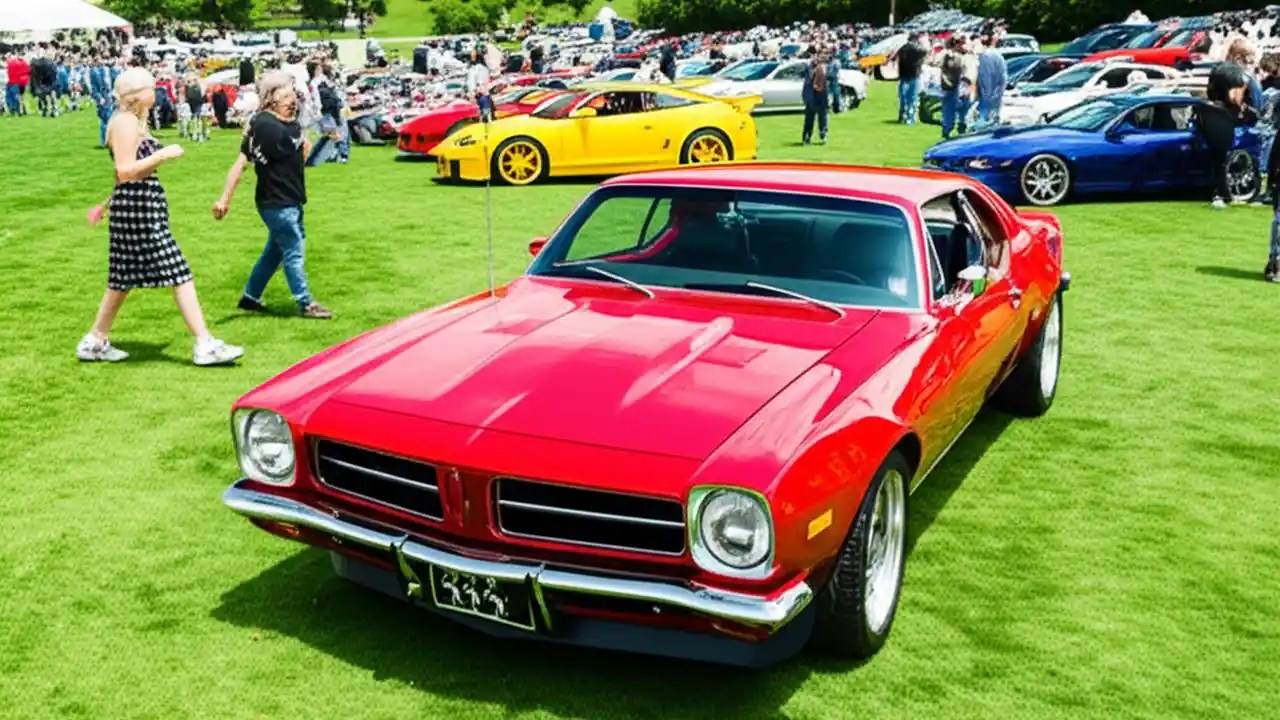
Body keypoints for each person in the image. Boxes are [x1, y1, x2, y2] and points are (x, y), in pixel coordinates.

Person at [78, 67, 244, 366]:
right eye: (150, 88)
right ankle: (204, 343)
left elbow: (122, 176)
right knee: (179, 272)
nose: (156, 92)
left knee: (122, 278)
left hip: (134, 207)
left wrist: (107, 203)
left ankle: (95, 340)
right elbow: (125, 170)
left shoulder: (129, 121)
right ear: (136, 95)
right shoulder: (126, 123)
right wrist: (163, 155)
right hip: (139, 211)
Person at [212, 70, 332, 319]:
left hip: (290, 198)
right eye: (286, 95)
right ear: (270, 98)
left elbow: (296, 160)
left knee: (274, 252)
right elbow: (241, 162)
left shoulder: (285, 122)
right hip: (277, 202)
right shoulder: (265, 125)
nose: (292, 100)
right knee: (293, 249)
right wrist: (225, 197)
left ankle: (250, 296)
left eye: (293, 94)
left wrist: (309, 147)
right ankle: (305, 302)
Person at [974, 33, 1007, 130]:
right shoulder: (997, 56)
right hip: (994, 95)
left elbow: (985, 78)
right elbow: (1002, 77)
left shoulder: (986, 56)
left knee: (986, 119)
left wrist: (987, 95)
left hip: (989, 96)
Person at [895, 33, 926, 124]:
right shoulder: (917, 49)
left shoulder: (902, 48)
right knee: (913, 98)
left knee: (903, 98)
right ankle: (910, 118)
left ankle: (902, 115)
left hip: (903, 75)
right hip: (914, 75)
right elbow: (925, 52)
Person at [802, 50, 831, 145]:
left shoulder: (825, 68)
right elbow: (808, 80)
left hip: (822, 96)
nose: (816, 58)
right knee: (809, 119)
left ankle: (823, 136)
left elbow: (829, 80)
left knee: (823, 118)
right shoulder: (809, 68)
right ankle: (807, 137)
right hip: (811, 97)